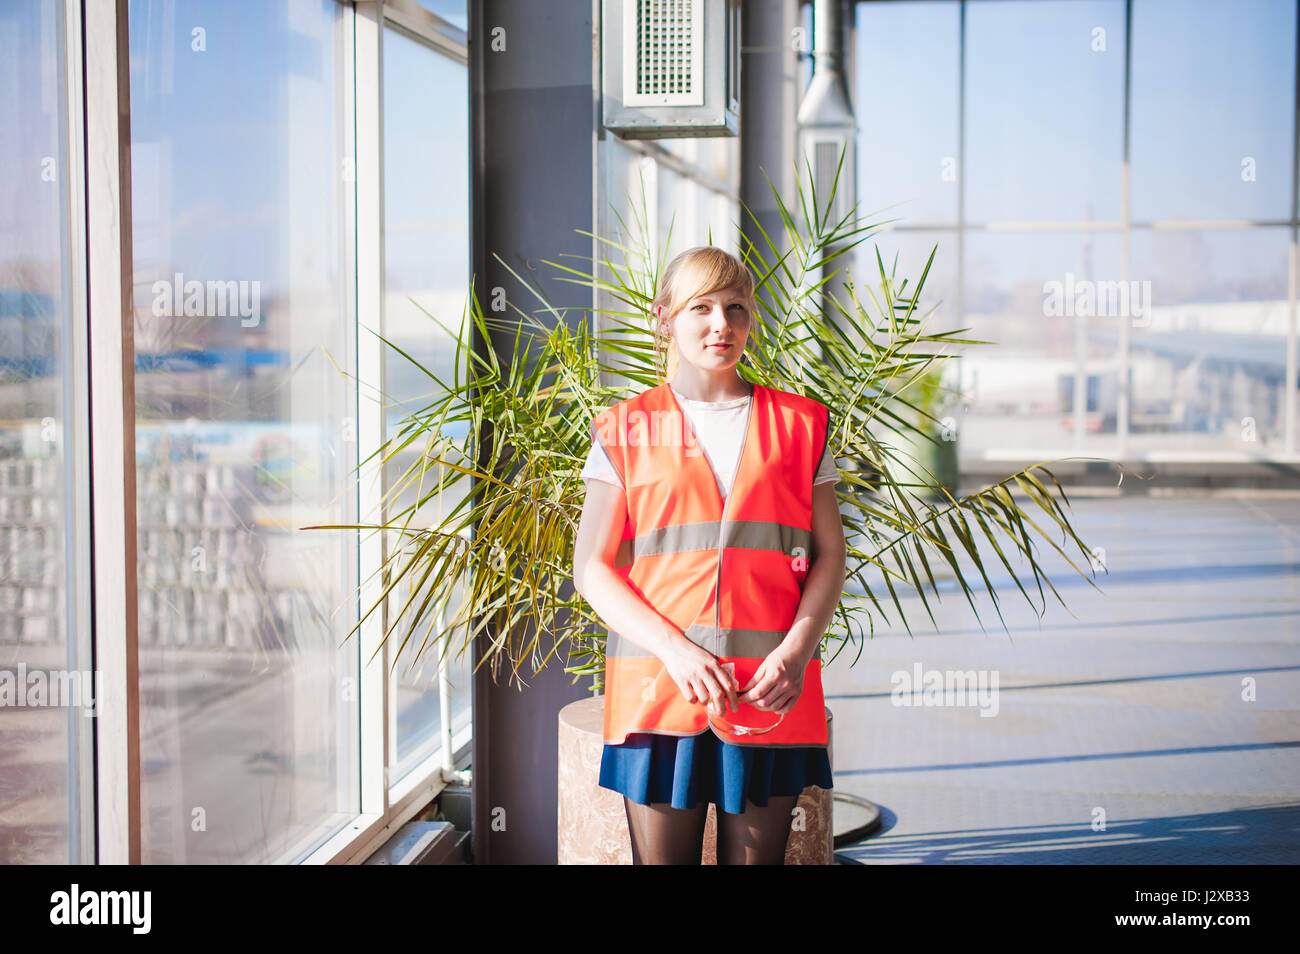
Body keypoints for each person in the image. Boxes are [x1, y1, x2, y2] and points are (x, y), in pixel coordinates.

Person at [572, 245, 847, 865]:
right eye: (701, 307)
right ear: (663, 317)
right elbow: (590, 567)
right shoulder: (627, 428)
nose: (721, 324)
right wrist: (677, 650)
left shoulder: (801, 426)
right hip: (661, 689)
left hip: (768, 689)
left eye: (736, 308)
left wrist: (796, 654)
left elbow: (830, 554)